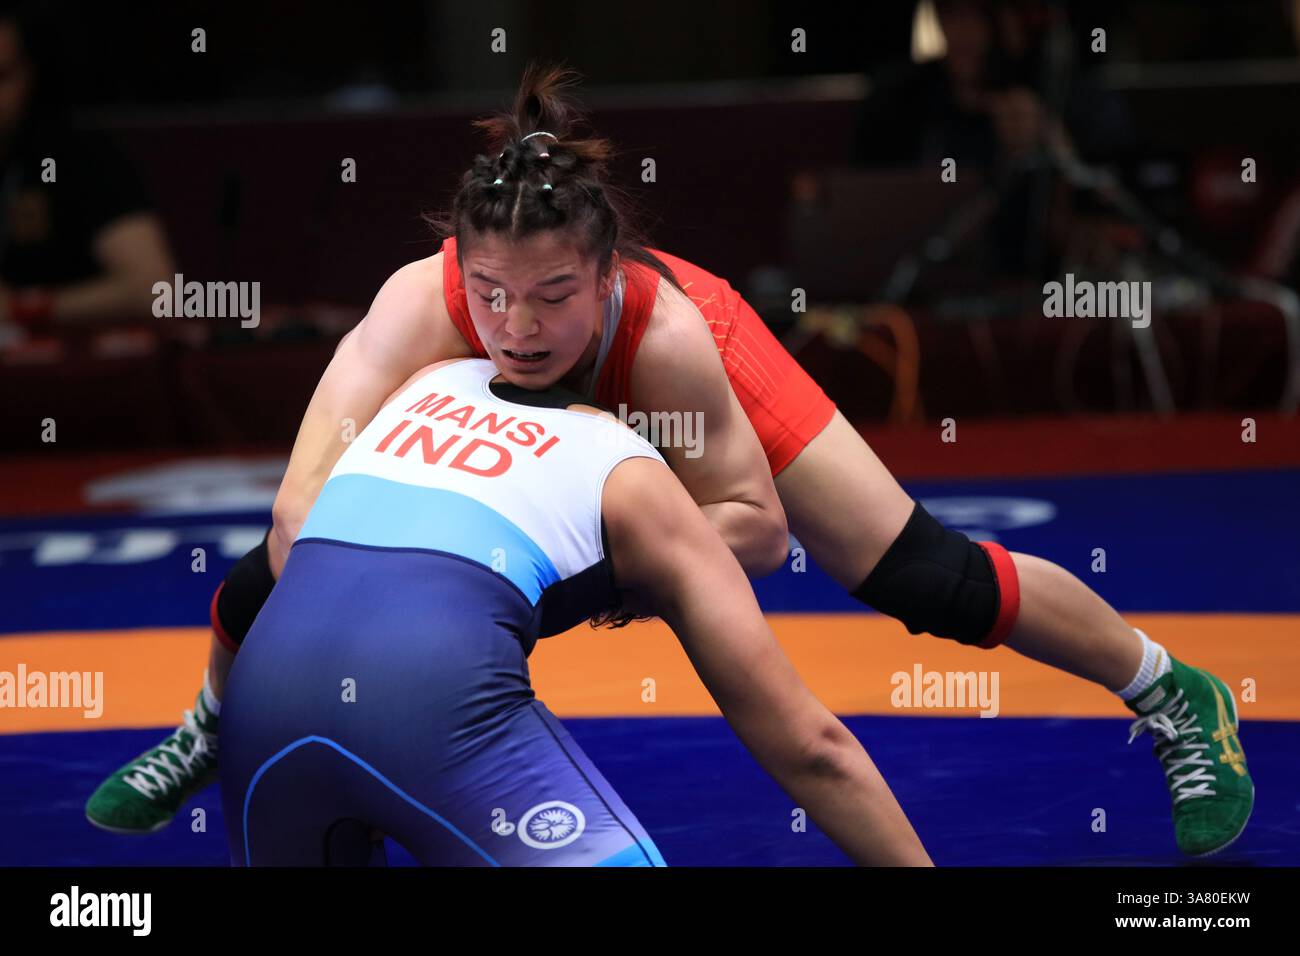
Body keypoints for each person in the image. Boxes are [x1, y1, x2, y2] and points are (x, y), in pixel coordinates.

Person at [88, 63, 1251, 859]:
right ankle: (208, 718)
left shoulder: (671, 332)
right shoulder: (412, 309)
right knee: (287, 569)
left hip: (665, 406)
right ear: (458, 268)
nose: (519, 327)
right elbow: (302, 521)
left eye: (552, 297)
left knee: (918, 575)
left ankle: (1168, 688)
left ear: (603, 279)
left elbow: (751, 524)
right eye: (491, 295)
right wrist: (464, 590)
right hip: (521, 486)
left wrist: (596, 572)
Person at [219, 355, 930, 865]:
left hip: (257, 711)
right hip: (428, 709)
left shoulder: (423, 382)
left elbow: (293, 528)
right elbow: (812, 748)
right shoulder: (630, 471)